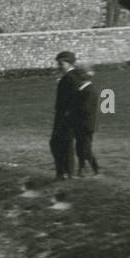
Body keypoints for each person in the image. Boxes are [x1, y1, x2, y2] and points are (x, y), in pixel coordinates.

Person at [51, 51, 91, 179]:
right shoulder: (71, 77)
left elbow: (76, 98)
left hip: (66, 118)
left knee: (61, 144)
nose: (58, 66)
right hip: (66, 116)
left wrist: (69, 114)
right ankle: (65, 172)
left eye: (60, 63)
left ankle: (65, 173)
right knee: (60, 143)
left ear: (67, 63)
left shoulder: (70, 78)